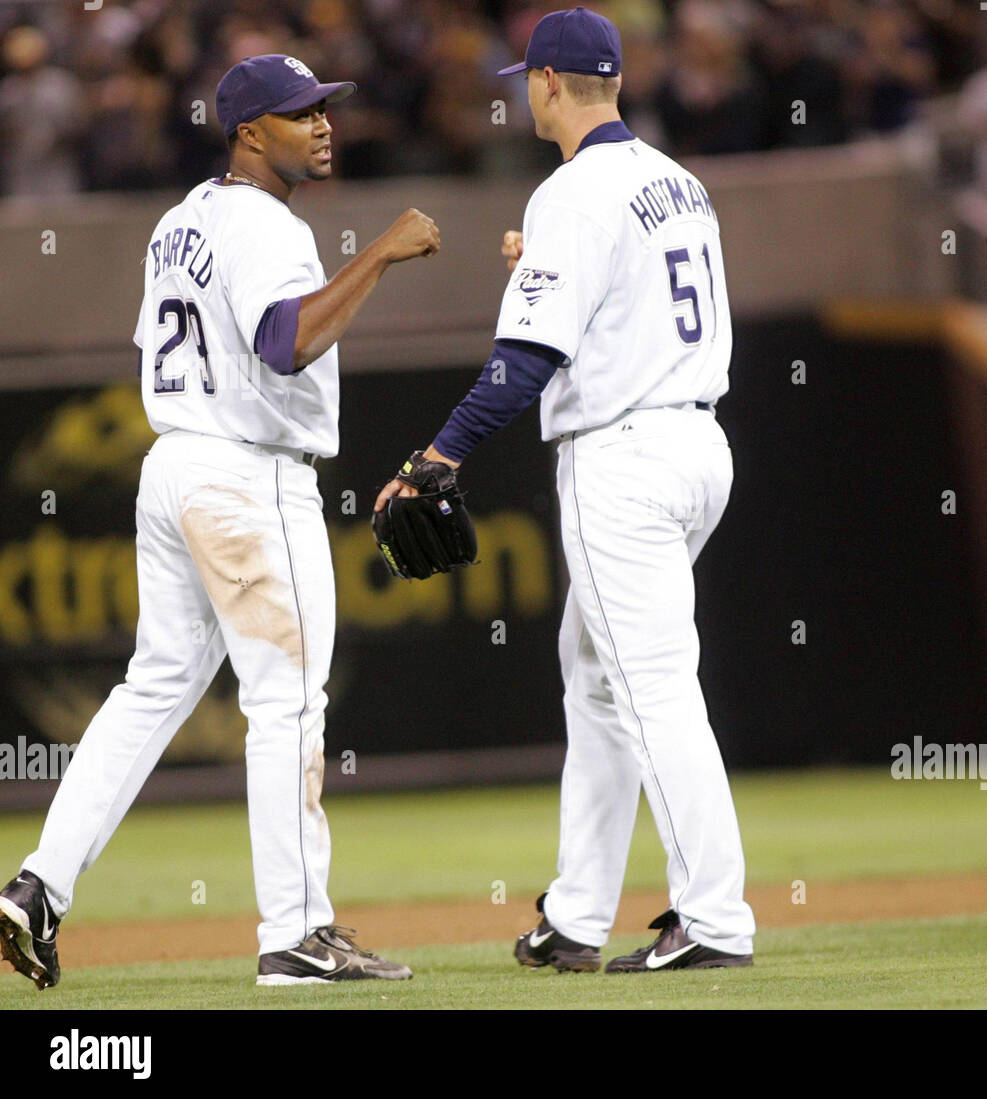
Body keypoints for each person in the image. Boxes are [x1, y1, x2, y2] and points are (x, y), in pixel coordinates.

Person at [0, 54, 442, 989]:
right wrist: (382, 252)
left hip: (175, 468)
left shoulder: (179, 221)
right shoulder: (263, 222)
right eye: (299, 114)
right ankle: (296, 932)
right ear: (249, 132)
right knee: (286, 700)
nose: (322, 125)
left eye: (325, 109)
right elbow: (285, 344)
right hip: (248, 479)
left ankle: (37, 886)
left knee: (152, 687)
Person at [374, 6, 756, 971]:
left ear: (546, 83)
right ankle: (579, 914)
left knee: (649, 687)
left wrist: (439, 454)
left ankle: (713, 919)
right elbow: (625, 303)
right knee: (595, 673)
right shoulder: (680, 182)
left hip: (622, 457)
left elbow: (526, 357)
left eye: (526, 81)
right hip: (696, 442)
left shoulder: (572, 193)